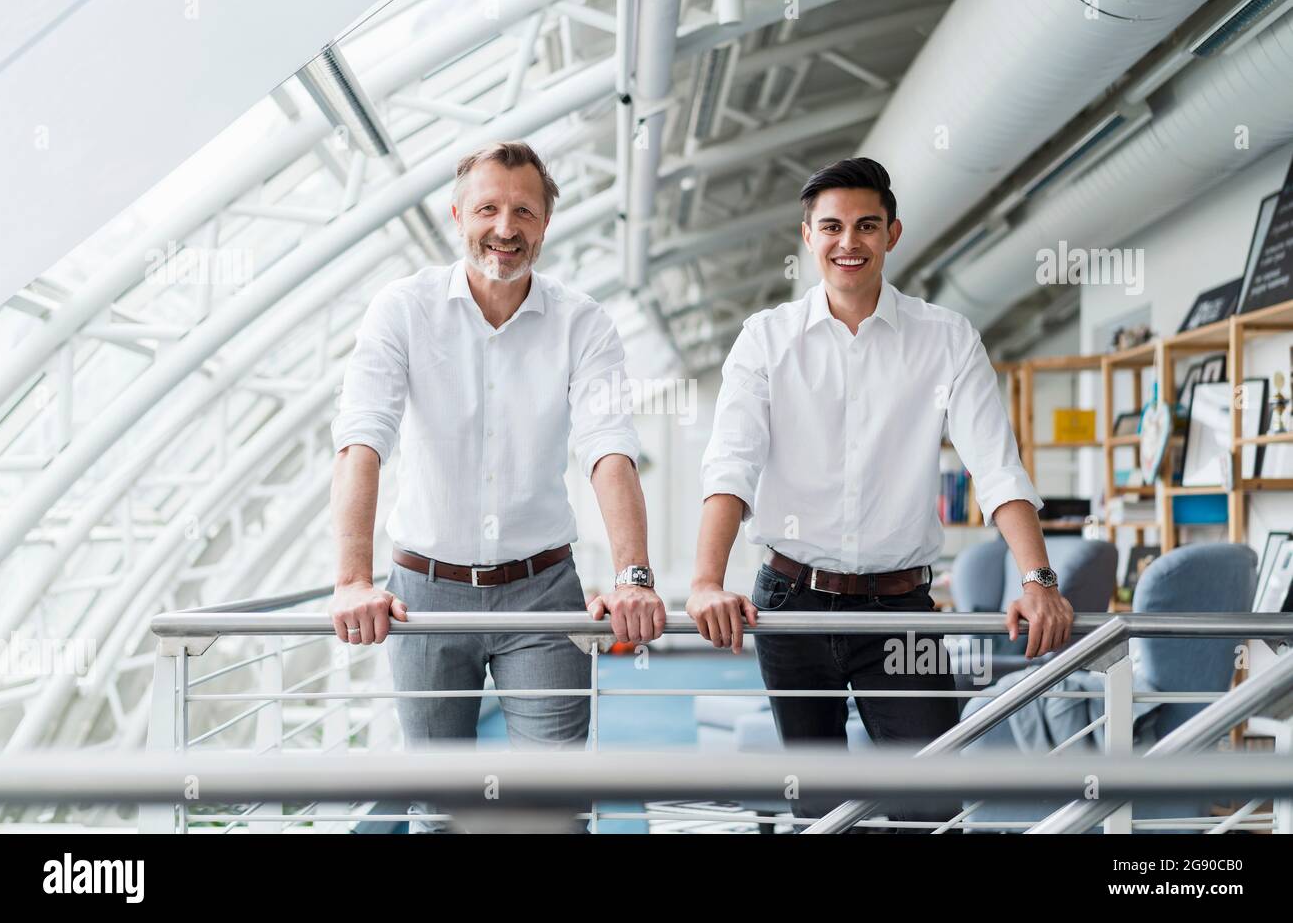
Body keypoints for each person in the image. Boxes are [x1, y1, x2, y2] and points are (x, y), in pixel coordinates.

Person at [685, 156, 1074, 831]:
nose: (848, 242)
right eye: (831, 226)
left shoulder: (946, 339)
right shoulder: (766, 340)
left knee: (930, 802)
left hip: (901, 611)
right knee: (818, 807)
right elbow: (731, 467)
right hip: (789, 605)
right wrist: (704, 581)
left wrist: (1038, 578)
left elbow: (997, 467)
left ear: (892, 234)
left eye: (866, 225)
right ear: (807, 236)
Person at [329, 140, 665, 828]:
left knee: (555, 805)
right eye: (488, 208)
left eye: (524, 212)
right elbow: (363, 439)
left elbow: (608, 449)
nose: (505, 228)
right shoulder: (402, 309)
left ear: (544, 225)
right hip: (422, 593)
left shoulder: (582, 321)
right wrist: (351, 580)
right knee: (437, 809)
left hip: (542, 593)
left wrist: (633, 574)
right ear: (457, 216)